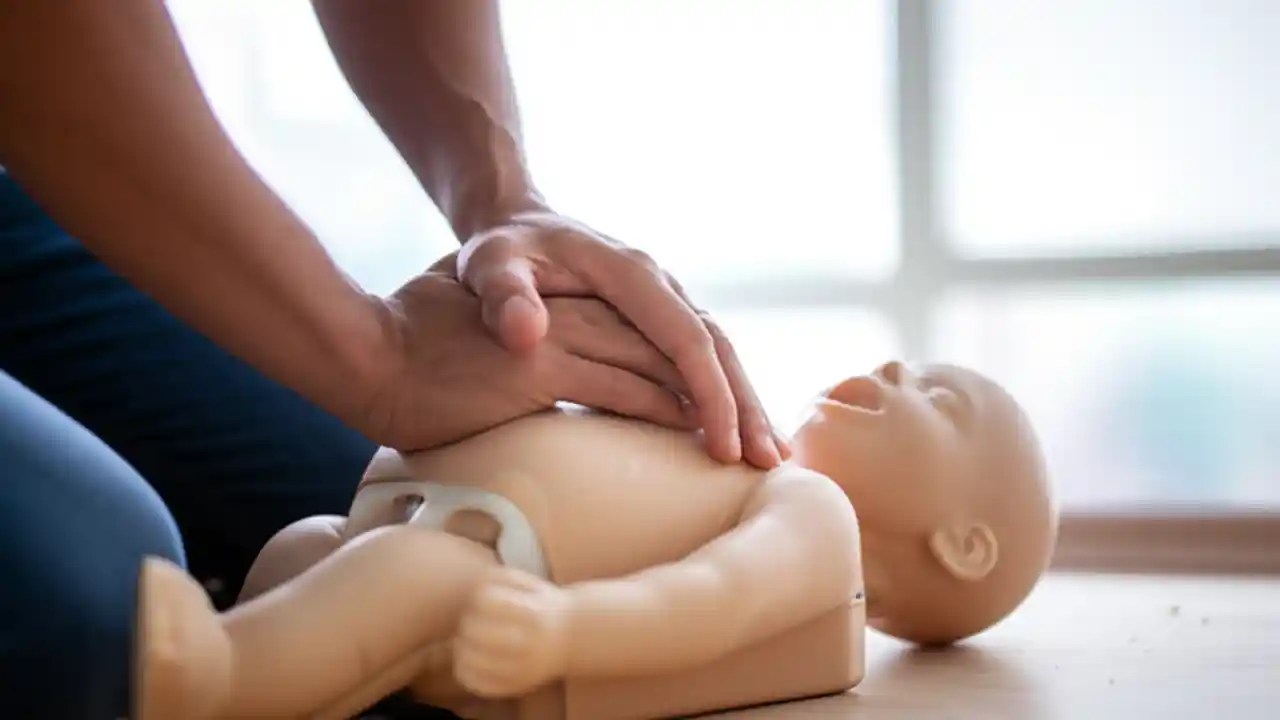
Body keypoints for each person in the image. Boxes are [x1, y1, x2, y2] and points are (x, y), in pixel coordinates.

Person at [0, 2, 786, 718]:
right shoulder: (800, 516)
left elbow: (720, 598)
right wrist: (374, 353)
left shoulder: (807, 514)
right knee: (96, 609)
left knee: (335, 503)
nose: (885, 374)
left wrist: (503, 197)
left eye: (918, 380)